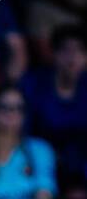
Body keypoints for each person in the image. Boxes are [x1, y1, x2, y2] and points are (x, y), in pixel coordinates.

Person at [22, 26, 87, 183]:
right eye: (65, 50)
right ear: (54, 54)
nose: (72, 57)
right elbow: (23, 130)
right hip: (41, 161)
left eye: (80, 51)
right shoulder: (33, 84)